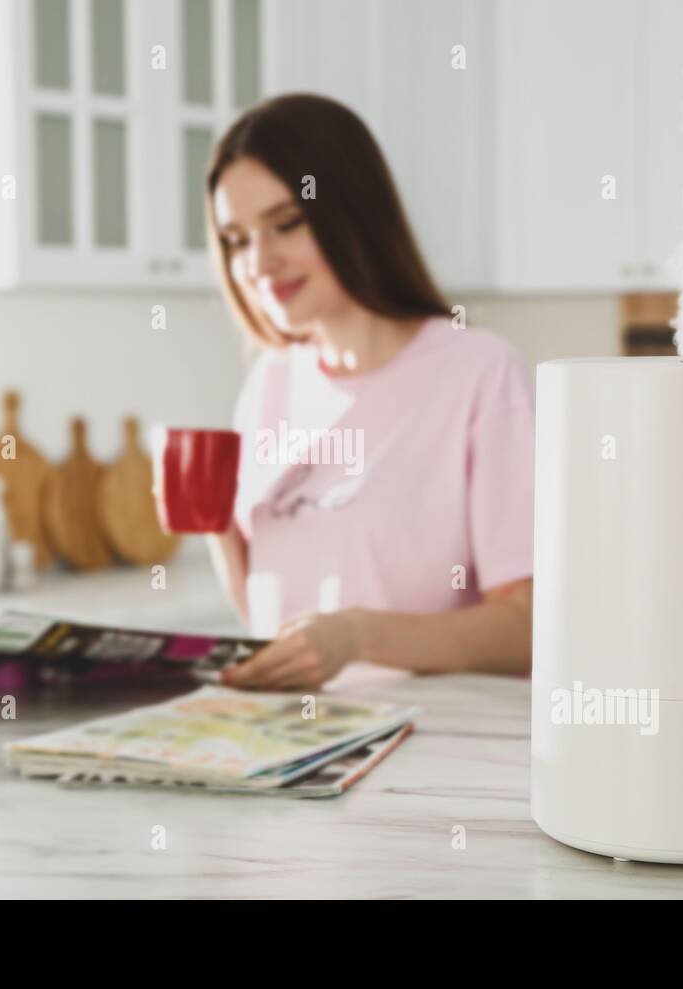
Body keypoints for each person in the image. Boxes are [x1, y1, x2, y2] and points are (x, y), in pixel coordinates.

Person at [204, 93, 534, 691]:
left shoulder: (479, 372)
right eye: (235, 239)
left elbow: (529, 627)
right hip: (292, 746)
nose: (258, 262)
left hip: (434, 755)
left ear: (351, 211)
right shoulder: (270, 386)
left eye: (285, 224)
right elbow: (272, 625)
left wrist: (358, 634)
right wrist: (213, 525)